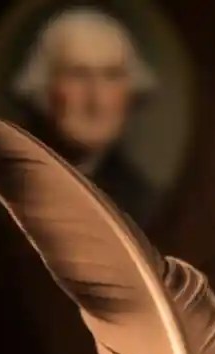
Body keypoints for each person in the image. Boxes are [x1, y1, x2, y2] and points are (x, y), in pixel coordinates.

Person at [12, 7, 158, 224]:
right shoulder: (7, 185)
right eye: (78, 75)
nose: (97, 100)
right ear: (45, 88)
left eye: (112, 76)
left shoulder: (145, 201)